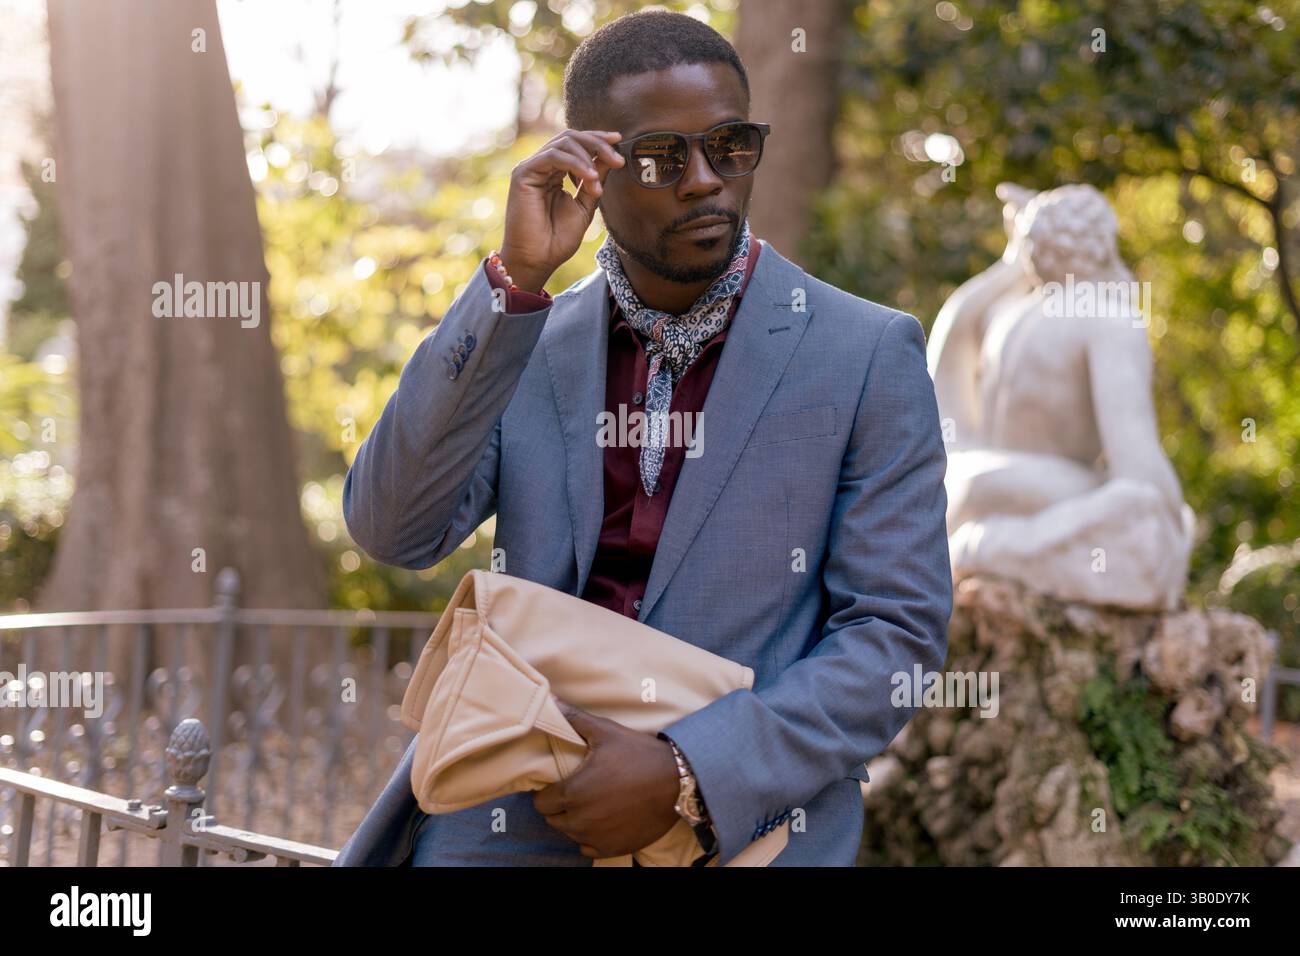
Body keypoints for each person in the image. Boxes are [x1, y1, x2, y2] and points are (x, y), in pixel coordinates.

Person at [334, 9, 951, 867]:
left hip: (743, 832)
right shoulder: (526, 340)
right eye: (663, 157)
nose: (705, 181)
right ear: (591, 167)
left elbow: (896, 635)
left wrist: (685, 771)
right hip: (507, 817)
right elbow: (392, 529)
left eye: (730, 145)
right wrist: (514, 286)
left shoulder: (865, 352)